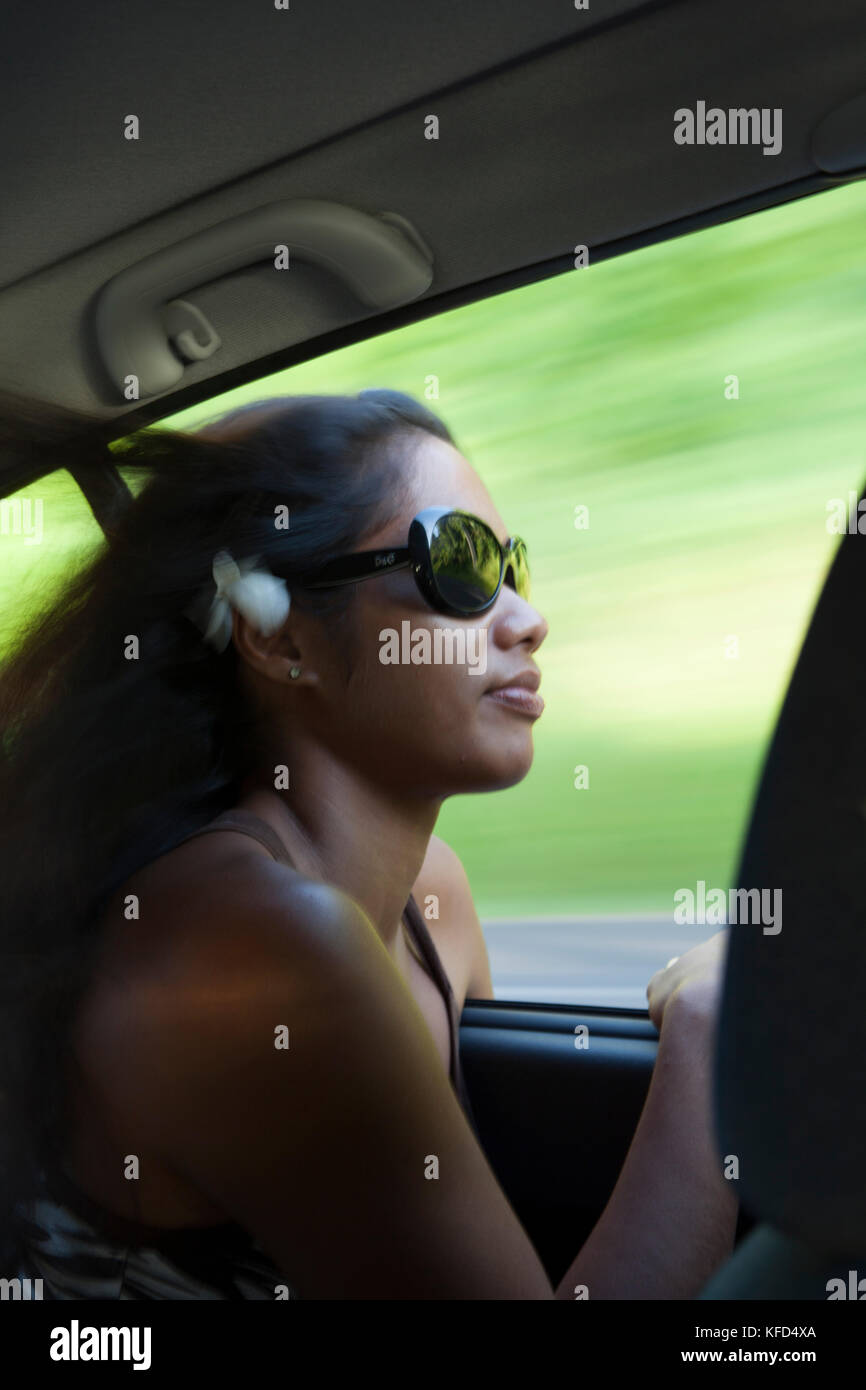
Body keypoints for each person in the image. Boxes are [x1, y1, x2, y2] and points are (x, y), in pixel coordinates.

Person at [0, 388, 737, 1299]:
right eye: (459, 565)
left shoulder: (434, 896)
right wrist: (710, 1039)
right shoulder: (256, 945)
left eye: (516, 567)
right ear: (279, 637)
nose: (525, 618)